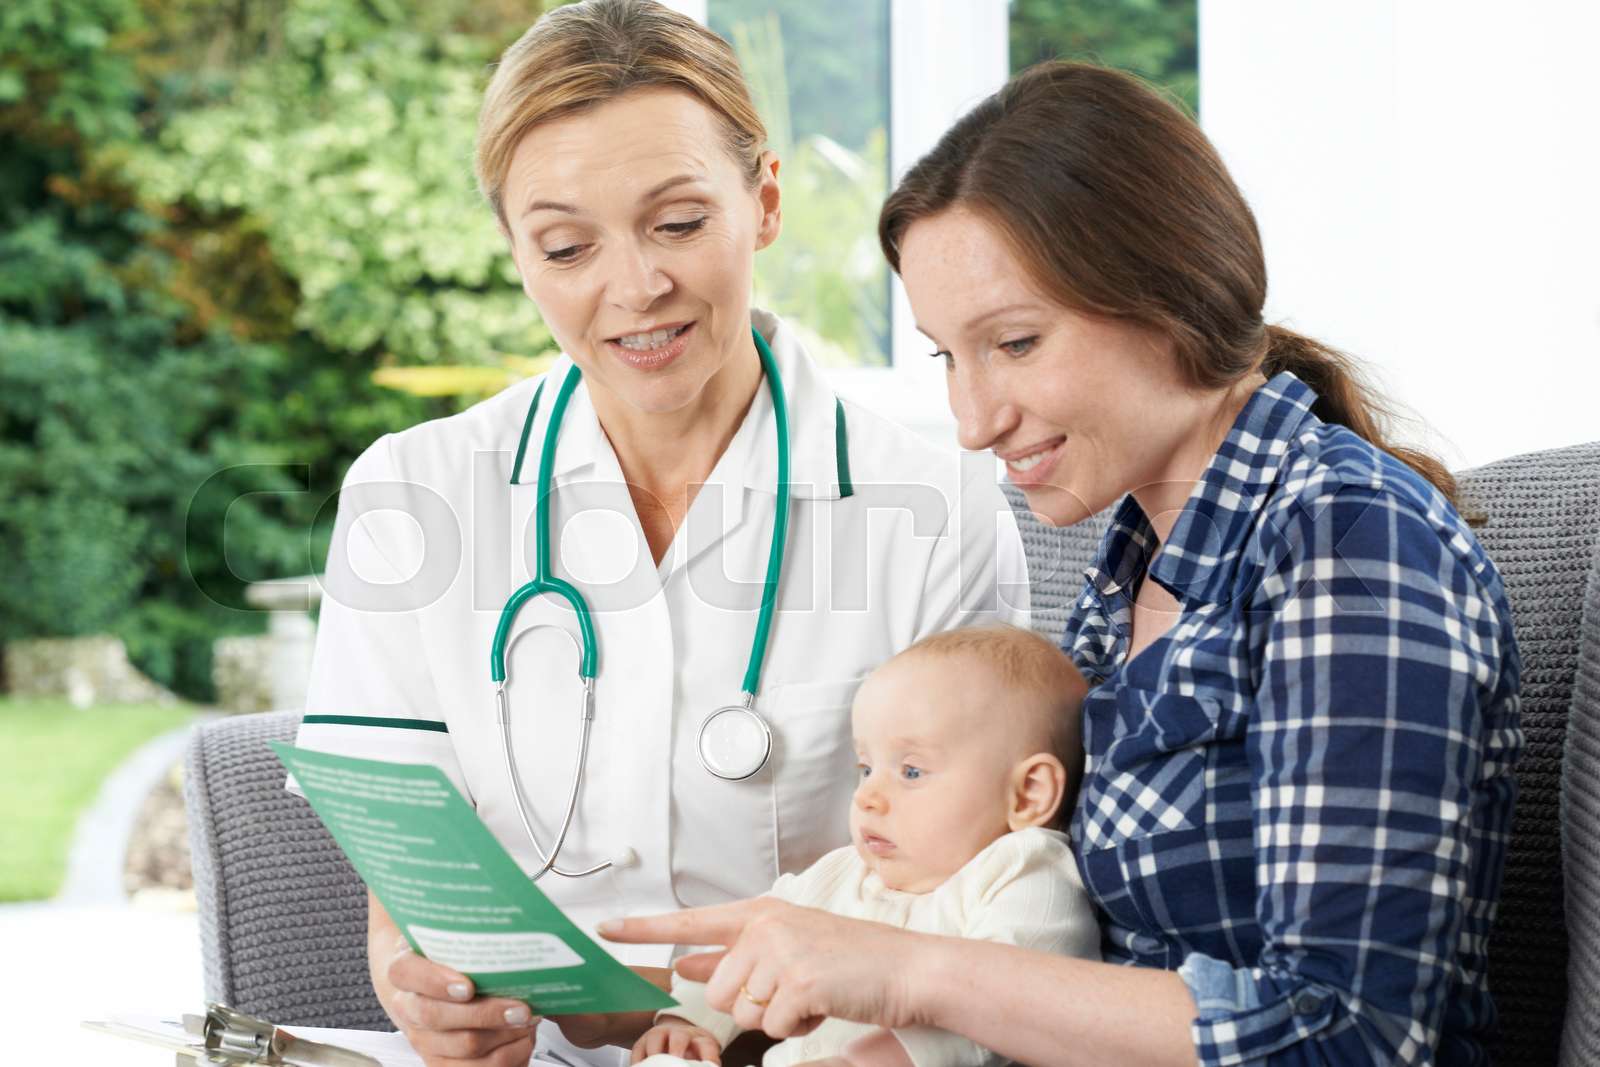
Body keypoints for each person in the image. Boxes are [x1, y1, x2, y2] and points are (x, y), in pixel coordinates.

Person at [601, 61, 1524, 1067]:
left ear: (1169, 294)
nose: (972, 420)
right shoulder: (1131, 564)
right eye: (948, 357)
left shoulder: (1349, 544)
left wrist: (906, 970)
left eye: (1015, 341)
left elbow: (1353, 1033)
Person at [284, 3, 1028, 1066]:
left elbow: (975, 908)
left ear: (763, 201)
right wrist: (424, 988)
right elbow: (406, 877)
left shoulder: (932, 508)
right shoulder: (413, 492)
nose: (634, 287)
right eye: (565, 245)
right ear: (514, 250)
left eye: (678, 223)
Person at [631, 626, 1098, 1067]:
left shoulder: (1024, 874)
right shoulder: (846, 870)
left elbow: (1008, 1005)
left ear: (1028, 794)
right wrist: (689, 1021)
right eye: (865, 768)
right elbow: (756, 948)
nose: (867, 797)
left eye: (911, 772)